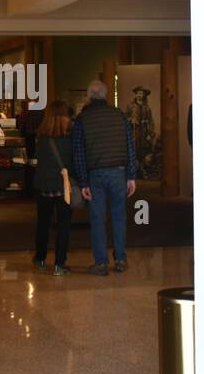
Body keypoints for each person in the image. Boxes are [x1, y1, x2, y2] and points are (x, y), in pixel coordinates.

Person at [71, 80, 137, 276]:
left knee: (97, 218)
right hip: (119, 172)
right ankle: (120, 259)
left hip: (95, 174)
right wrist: (131, 175)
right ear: (106, 95)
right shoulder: (119, 115)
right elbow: (130, 146)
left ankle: (101, 263)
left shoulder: (82, 119)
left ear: (89, 96)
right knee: (119, 216)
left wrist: (83, 182)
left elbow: (78, 153)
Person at [32, 100, 75, 276]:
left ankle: (40, 258)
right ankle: (59, 264)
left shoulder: (42, 139)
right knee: (63, 226)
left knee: (43, 223)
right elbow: (73, 161)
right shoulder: (70, 137)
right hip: (63, 187)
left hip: (44, 186)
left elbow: (37, 160)